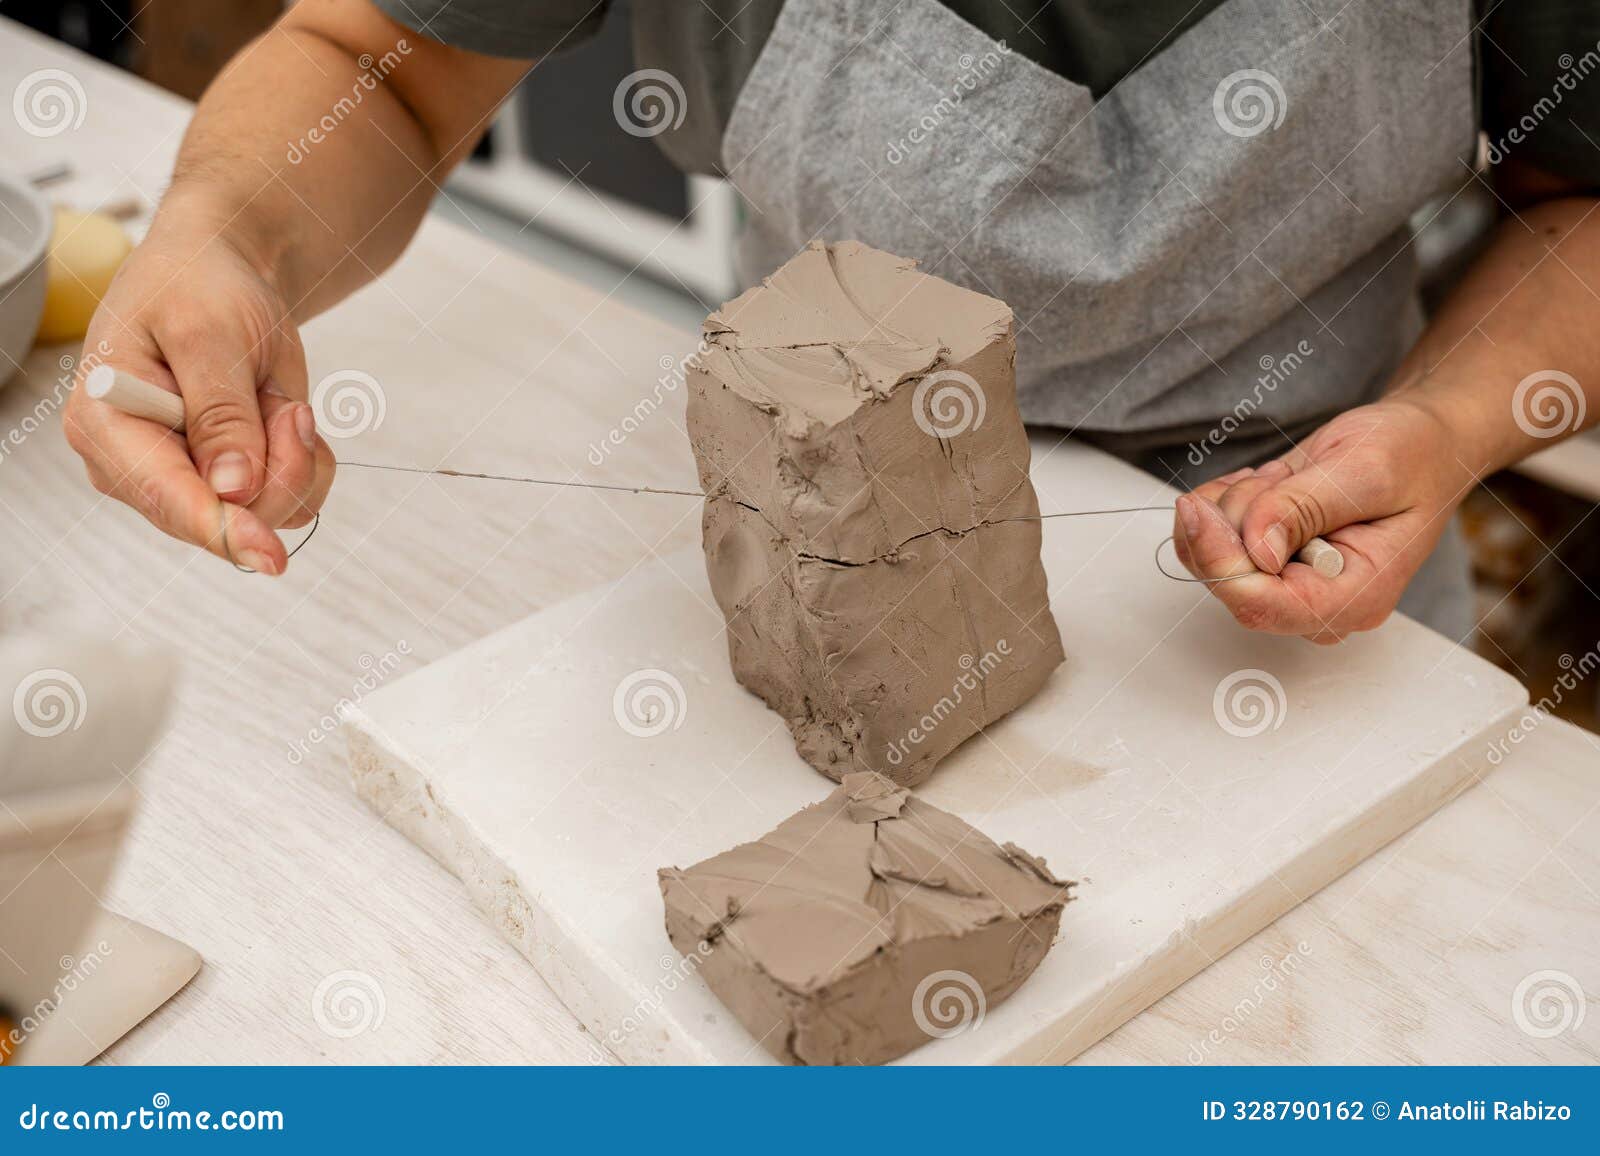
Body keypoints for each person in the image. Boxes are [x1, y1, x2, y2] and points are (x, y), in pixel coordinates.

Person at [63, 0, 1600, 646]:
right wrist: (223, 232)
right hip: (802, 534)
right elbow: (383, 60)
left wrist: (1454, 419)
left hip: (1304, 557)